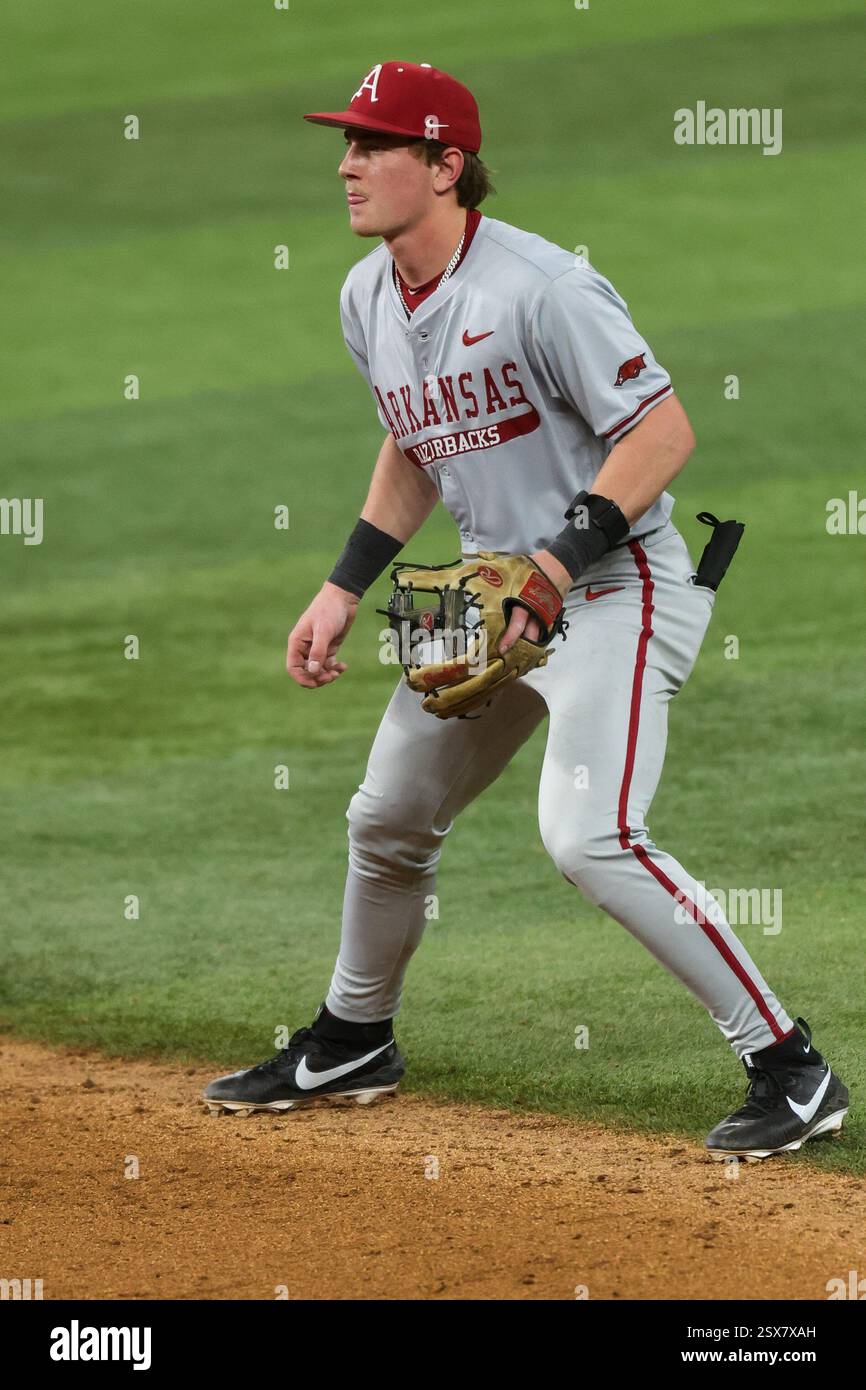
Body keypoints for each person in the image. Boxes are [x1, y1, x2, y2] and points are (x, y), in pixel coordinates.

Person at [205, 61, 848, 1161]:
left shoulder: (541, 287)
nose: (348, 165)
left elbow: (661, 433)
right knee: (386, 818)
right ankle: (355, 1036)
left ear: (445, 166)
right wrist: (342, 583)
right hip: (491, 592)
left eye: (375, 145)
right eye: (345, 143)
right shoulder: (367, 295)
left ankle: (790, 1068)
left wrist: (553, 566)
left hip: (614, 586)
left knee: (587, 837)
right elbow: (417, 444)